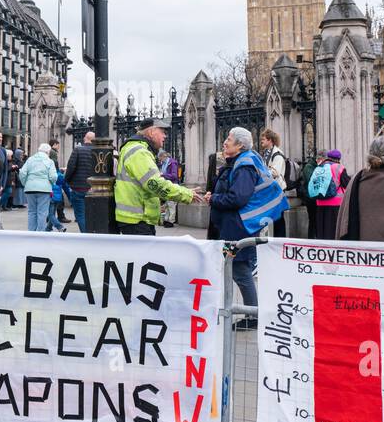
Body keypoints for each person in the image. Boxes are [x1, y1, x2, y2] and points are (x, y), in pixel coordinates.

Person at [208, 127, 287, 328]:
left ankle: (253, 316)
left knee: (239, 270)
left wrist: (214, 198)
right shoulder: (243, 161)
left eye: (229, 139)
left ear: (240, 145)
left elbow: (238, 197)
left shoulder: (245, 165)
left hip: (237, 228)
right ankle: (243, 313)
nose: (225, 142)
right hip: (234, 227)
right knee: (234, 268)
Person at [114, 118, 197, 235]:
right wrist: (186, 194)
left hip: (136, 218)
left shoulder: (136, 148)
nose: (165, 136)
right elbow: (154, 183)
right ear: (152, 132)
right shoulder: (139, 151)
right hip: (138, 220)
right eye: (162, 132)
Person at [307, 149, 350, 240]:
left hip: (320, 203)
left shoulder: (320, 167)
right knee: (333, 230)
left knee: (322, 229)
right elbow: (347, 184)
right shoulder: (339, 167)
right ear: (338, 159)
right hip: (335, 204)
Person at [259, 128, 291, 238]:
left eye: (263, 139)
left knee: (278, 215)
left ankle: (280, 239)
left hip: (277, 189)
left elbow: (275, 172)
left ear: (270, 140)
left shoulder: (277, 154)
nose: (261, 141)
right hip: (269, 189)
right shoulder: (266, 153)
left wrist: (260, 172)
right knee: (271, 215)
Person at [19, 143, 58, 232]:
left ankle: (31, 231)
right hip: (44, 189)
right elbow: (53, 177)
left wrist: (26, 183)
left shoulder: (30, 159)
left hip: (30, 189)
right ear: (48, 152)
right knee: (42, 212)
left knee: (31, 212)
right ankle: (40, 233)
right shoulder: (49, 161)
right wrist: (51, 184)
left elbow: (22, 173)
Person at [65, 130, 96, 233]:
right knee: (91, 214)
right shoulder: (98, 151)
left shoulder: (78, 150)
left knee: (80, 214)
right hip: (93, 189)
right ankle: (91, 232)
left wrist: (67, 181)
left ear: (84, 138)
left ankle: (85, 234)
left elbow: (70, 168)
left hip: (78, 187)